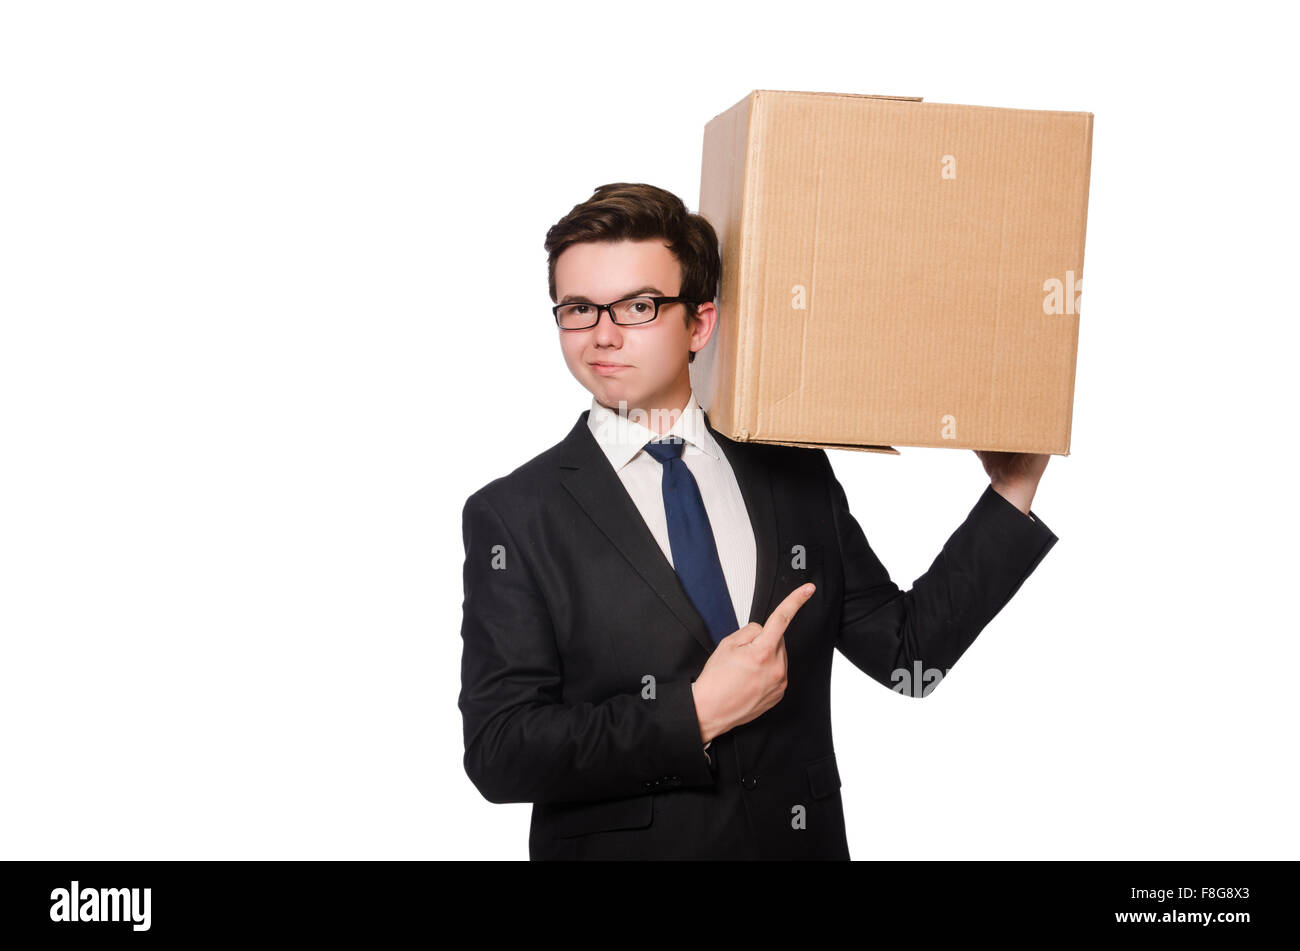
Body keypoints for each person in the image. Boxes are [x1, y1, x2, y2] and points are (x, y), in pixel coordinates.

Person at [457, 182, 1057, 860]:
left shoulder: (791, 471)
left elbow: (905, 655)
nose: (602, 332)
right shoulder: (514, 515)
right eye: (578, 308)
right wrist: (696, 712)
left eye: (638, 305)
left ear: (700, 323)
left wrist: (1012, 489)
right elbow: (501, 749)